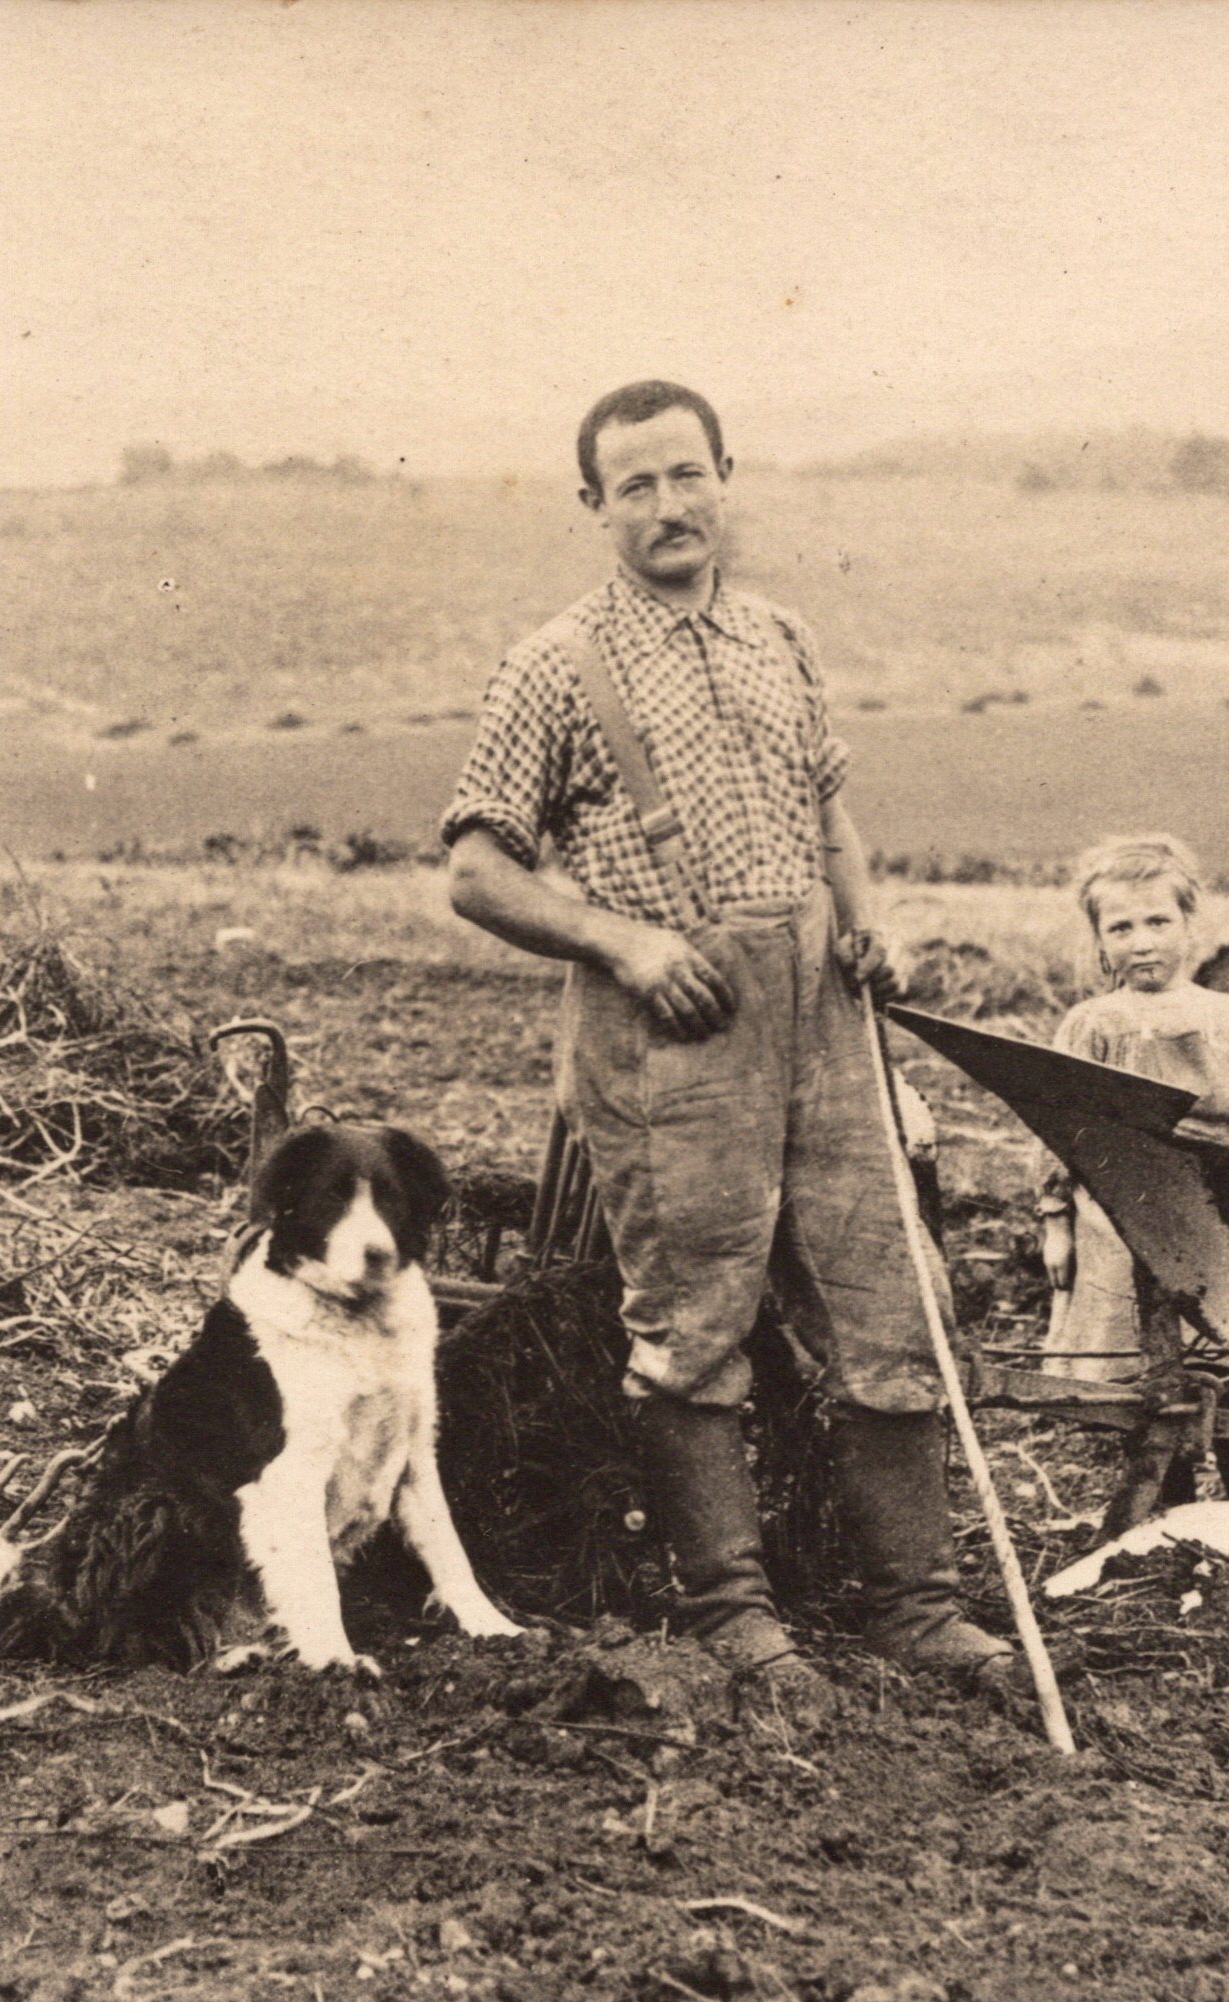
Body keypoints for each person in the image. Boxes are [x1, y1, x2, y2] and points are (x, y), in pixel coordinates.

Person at [438, 379, 1028, 1720]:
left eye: (686, 476)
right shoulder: (553, 665)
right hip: (671, 1033)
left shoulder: (778, 636)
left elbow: (832, 816)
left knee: (891, 1306)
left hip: (824, 1023)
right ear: (595, 510)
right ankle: (737, 1619)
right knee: (695, 1328)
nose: (667, 507)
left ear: (725, 480)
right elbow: (477, 871)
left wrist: (872, 929)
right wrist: (629, 946)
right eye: (634, 487)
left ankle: (921, 1612)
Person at [1036, 836, 1229, 1407]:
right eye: (1121, 928)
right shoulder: (1094, 1024)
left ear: (1189, 924)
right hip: (1117, 1227)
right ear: (1100, 940)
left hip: (1218, 1217)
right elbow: (1054, 1125)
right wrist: (1056, 1227)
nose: (1142, 943)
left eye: (1158, 922)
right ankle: (1166, 1494)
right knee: (1143, 1390)